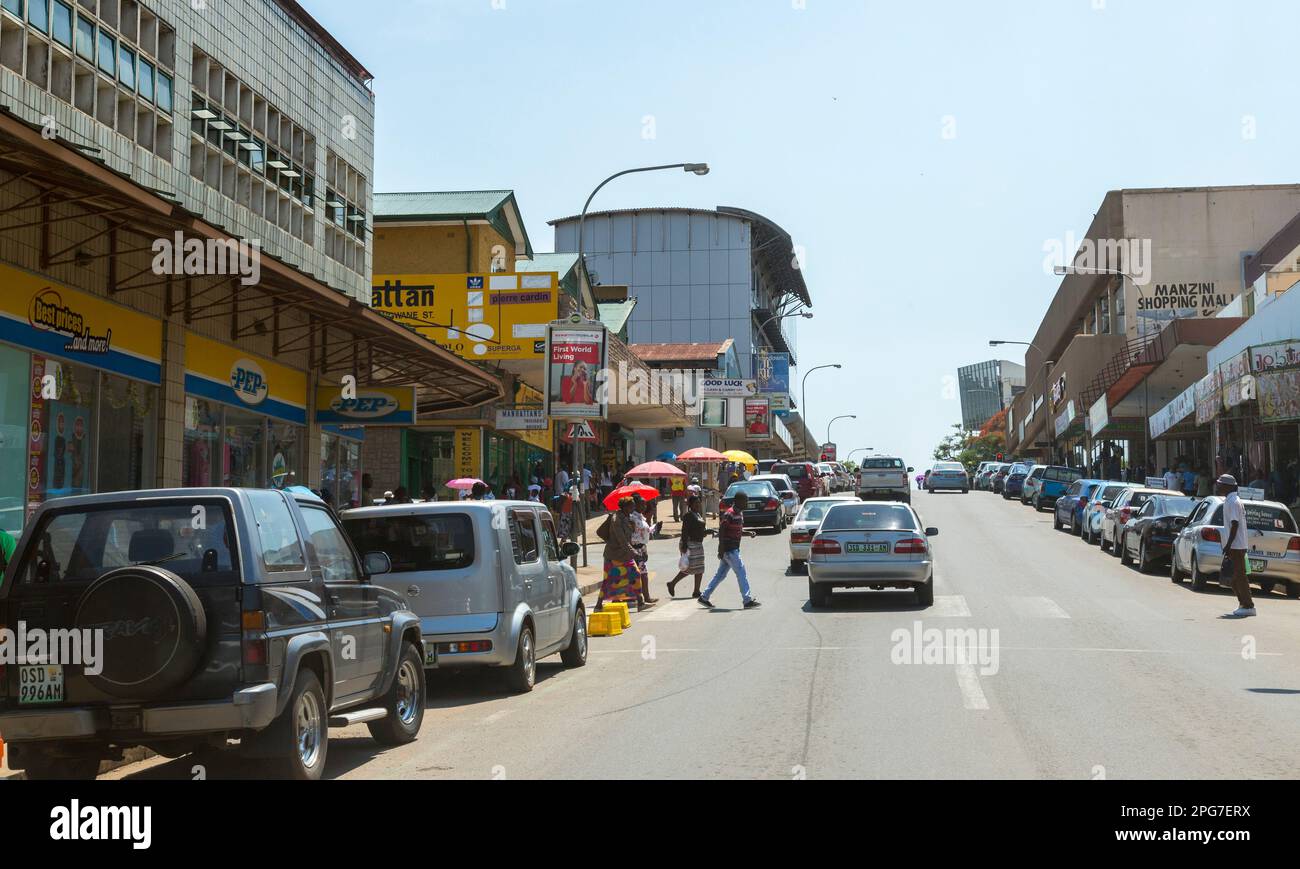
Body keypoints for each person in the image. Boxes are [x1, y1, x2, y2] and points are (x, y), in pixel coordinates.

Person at [699, 491, 761, 610]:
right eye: (745, 501)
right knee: (741, 572)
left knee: (720, 575)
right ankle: (747, 600)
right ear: (738, 501)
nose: (747, 503)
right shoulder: (730, 514)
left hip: (732, 549)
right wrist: (720, 549)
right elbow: (722, 530)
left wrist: (748, 533)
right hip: (729, 549)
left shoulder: (739, 514)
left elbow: (736, 530)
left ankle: (704, 596)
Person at [596, 498, 645, 612]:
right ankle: (598, 605)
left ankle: (640, 602)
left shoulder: (627, 518)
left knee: (636, 574)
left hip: (625, 554)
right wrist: (634, 553)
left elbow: (628, 536)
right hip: (613, 555)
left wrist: (632, 527)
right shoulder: (616, 519)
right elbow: (622, 540)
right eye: (631, 506)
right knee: (608, 580)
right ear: (625, 507)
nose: (634, 508)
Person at [1217, 475, 1256, 619]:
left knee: (1240, 576)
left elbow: (1235, 524)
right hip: (1235, 545)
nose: (1218, 486)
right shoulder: (1230, 500)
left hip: (1236, 545)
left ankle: (1248, 606)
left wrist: (1228, 544)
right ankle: (1243, 604)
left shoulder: (1233, 502)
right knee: (1234, 578)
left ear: (1228, 486)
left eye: (1220, 484)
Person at [667, 495, 710, 599]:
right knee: (689, 567)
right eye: (695, 503)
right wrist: (685, 546)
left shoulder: (698, 514)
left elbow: (699, 530)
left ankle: (696, 591)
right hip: (690, 544)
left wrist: (707, 532)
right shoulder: (688, 515)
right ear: (690, 505)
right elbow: (684, 531)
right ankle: (672, 583)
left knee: (699, 568)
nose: (698, 505)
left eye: (699, 503)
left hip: (698, 544)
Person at [629, 494, 657, 606]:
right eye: (642, 504)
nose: (644, 506)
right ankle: (643, 597)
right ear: (635, 505)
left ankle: (643, 597)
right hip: (634, 549)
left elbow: (644, 532)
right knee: (641, 574)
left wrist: (652, 529)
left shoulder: (641, 517)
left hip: (641, 548)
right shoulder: (631, 517)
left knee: (640, 574)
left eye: (645, 503)